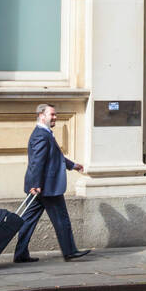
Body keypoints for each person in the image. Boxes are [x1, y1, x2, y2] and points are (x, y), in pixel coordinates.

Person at [14, 104, 90, 263]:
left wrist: (73, 165)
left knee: (28, 220)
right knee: (62, 219)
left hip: (40, 187)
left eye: (55, 114)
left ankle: (20, 254)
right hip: (47, 187)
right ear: (42, 115)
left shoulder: (44, 133)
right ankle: (70, 251)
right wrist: (36, 184)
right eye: (52, 115)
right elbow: (37, 162)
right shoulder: (42, 135)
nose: (55, 117)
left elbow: (54, 157)